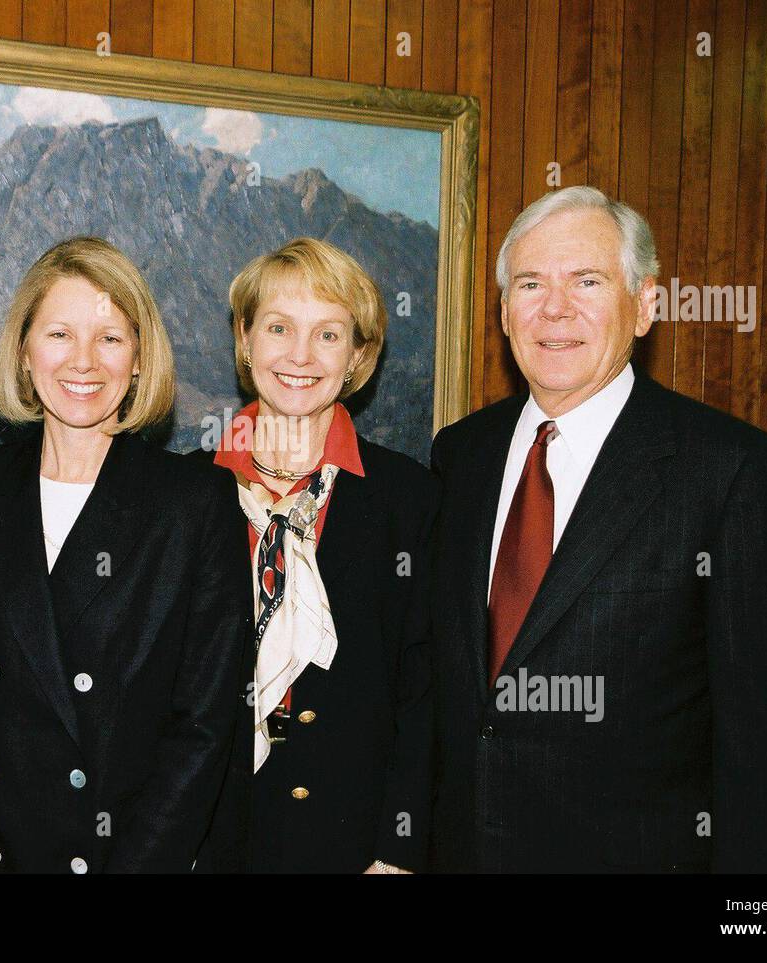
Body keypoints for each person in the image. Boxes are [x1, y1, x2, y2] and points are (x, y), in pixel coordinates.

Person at [429, 185, 767, 873]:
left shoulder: (731, 473)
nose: (555, 307)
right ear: (502, 311)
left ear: (644, 305)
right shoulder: (459, 453)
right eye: (530, 283)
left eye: (586, 280)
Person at [0, 237, 250, 873]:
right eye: (59, 334)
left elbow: (205, 728)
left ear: (138, 358)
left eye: (109, 338)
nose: (84, 362)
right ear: (24, 349)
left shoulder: (193, 503)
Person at [202, 237, 437, 873]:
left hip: (352, 845)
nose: (300, 355)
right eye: (278, 327)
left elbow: (426, 693)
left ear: (360, 356)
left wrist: (398, 852)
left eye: (329, 335)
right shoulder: (183, 493)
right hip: (204, 841)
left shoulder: (410, 500)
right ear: (245, 338)